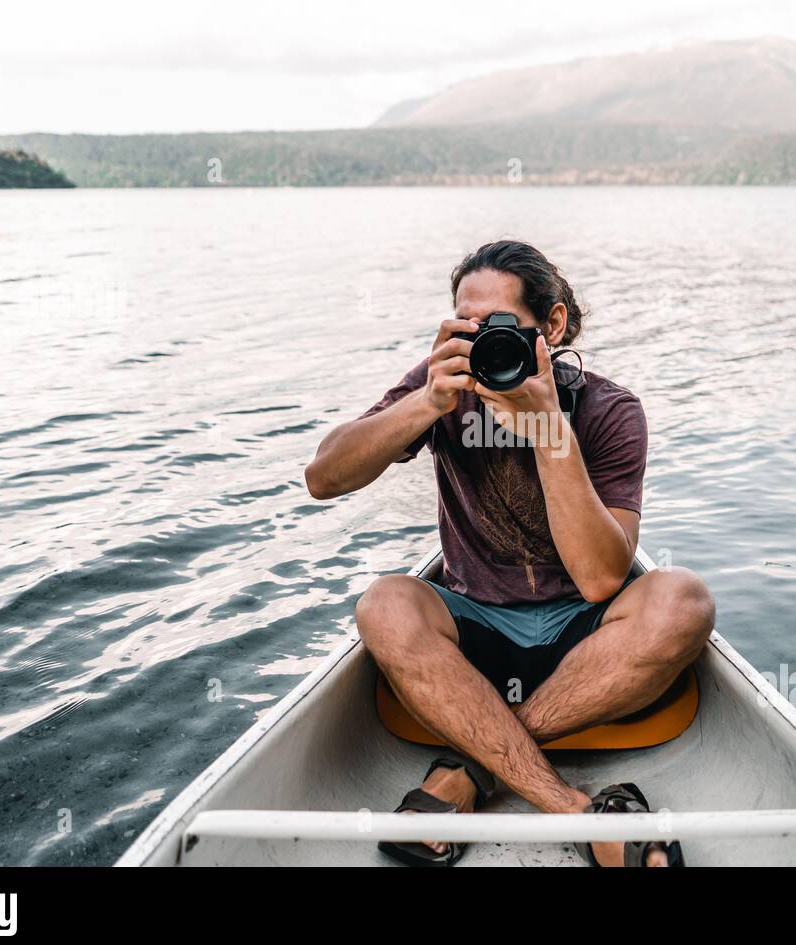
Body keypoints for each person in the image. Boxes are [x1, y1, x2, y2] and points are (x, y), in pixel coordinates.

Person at [305, 239, 715, 866]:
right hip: (474, 630)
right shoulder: (442, 387)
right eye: (469, 329)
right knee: (384, 604)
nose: (486, 346)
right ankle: (573, 810)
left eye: (504, 331)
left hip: (586, 640)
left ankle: (469, 766)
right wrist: (426, 402)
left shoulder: (609, 409)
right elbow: (324, 478)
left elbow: (605, 578)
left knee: (683, 600)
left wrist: (549, 427)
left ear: (551, 327)